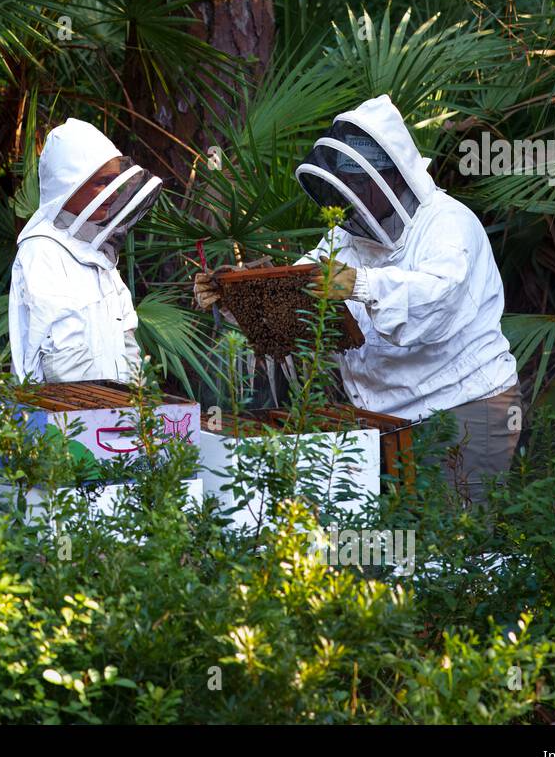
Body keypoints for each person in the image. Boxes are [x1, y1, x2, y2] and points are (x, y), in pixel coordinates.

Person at [193, 95, 521, 503]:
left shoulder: (447, 223)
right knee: (403, 547)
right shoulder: (347, 236)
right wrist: (235, 292)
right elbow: (295, 289)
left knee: (456, 545)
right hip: (385, 418)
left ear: (396, 176)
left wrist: (359, 285)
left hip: (464, 409)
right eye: (346, 183)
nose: (353, 193)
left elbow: (436, 302)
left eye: (362, 182)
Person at [9, 118, 162, 383]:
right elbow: (51, 359)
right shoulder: (42, 251)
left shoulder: (97, 250)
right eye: (102, 182)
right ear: (69, 184)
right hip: (63, 418)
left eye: (115, 182)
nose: (112, 194)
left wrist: (134, 401)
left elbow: (125, 337)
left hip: (115, 414)